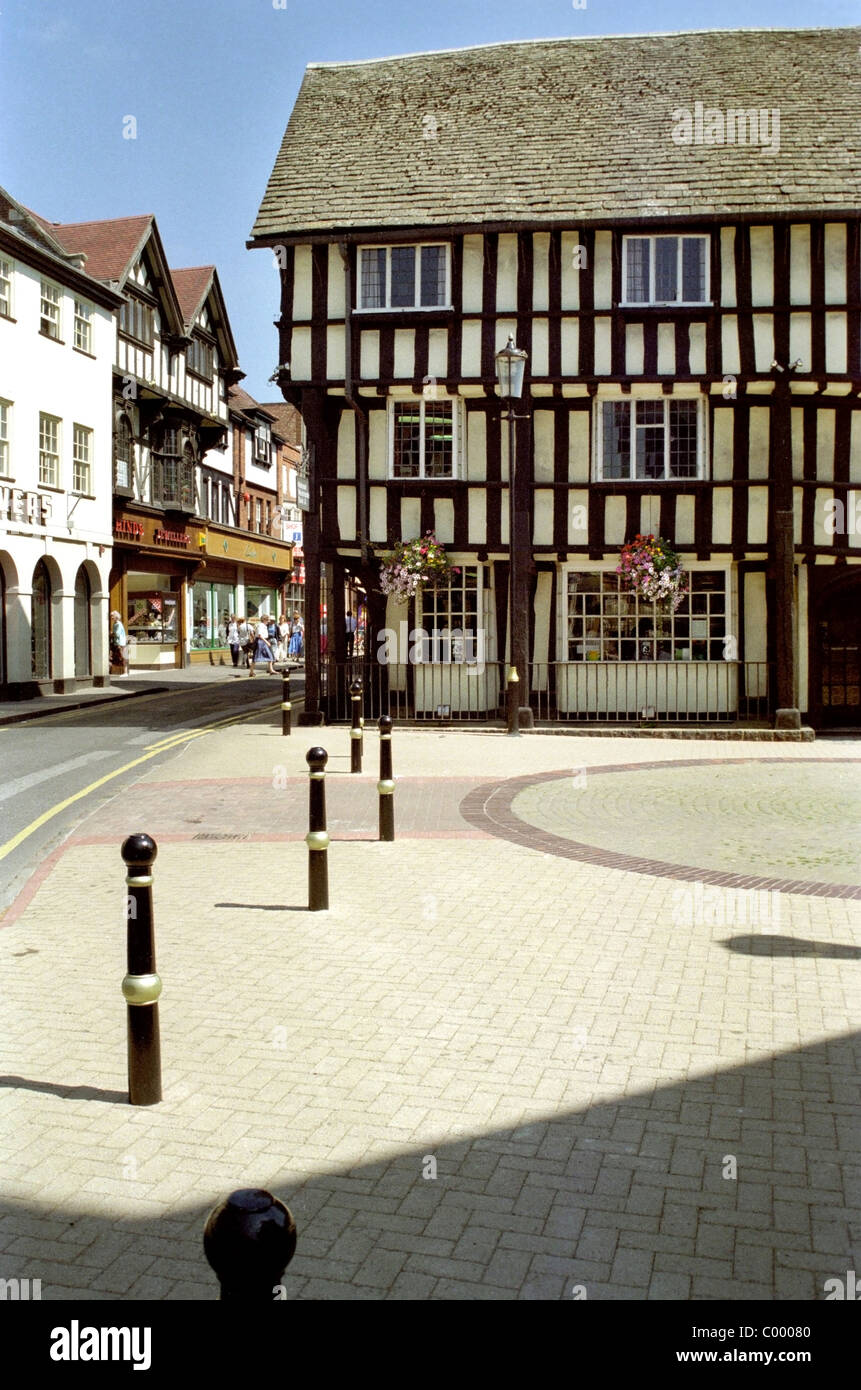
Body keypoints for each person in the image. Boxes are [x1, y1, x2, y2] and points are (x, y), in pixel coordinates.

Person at [110, 610, 128, 675]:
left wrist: (111, 633)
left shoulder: (118, 624)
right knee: (121, 656)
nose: (111, 617)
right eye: (111, 616)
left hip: (120, 642)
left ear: (116, 617)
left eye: (112, 616)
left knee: (123, 657)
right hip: (119, 642)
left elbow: (117, 634)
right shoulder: (116, 623)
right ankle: (124, 672)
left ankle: (125, 672)